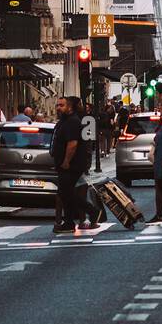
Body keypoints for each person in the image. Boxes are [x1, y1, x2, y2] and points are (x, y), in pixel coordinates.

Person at [51, 94, 92, 233]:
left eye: (61, 105)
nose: (58, 108)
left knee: (66, 192)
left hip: (71, 164)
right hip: (65, 163)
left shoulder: (72, 121)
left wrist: (66, 161)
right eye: (57, 105)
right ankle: (69, 222)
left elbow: (72, 144)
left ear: (69, 107)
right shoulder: (64, 121)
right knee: (65, 193)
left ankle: (91, 211)